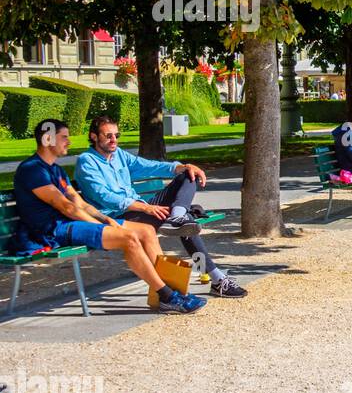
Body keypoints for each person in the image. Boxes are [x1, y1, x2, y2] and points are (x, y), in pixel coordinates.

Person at [10, 120, 205, 313]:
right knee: (129, 239)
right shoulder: (33, 169)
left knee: (146, 231)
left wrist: (105, 220)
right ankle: (167, 297)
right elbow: (66, 207)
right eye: (64, 138)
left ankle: (174, 290)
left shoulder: (56, 170)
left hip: (70, 223)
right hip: (52, 230)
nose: (68, 142)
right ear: (47, 139)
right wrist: (102, 227)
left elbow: (79, 203)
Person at [76, 116, 247, 297]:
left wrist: (181, 166)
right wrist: (145, 208)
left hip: (141, 209)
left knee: (189, 175)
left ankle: (177, 215)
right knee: (186, 223)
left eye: (116, 135)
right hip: (119, 217)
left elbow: (150, 166)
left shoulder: (119, 155)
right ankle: (217, 278)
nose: (114, 140)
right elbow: (104, 197)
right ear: (94, 136)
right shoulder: (87, 161)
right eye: (108, 135)